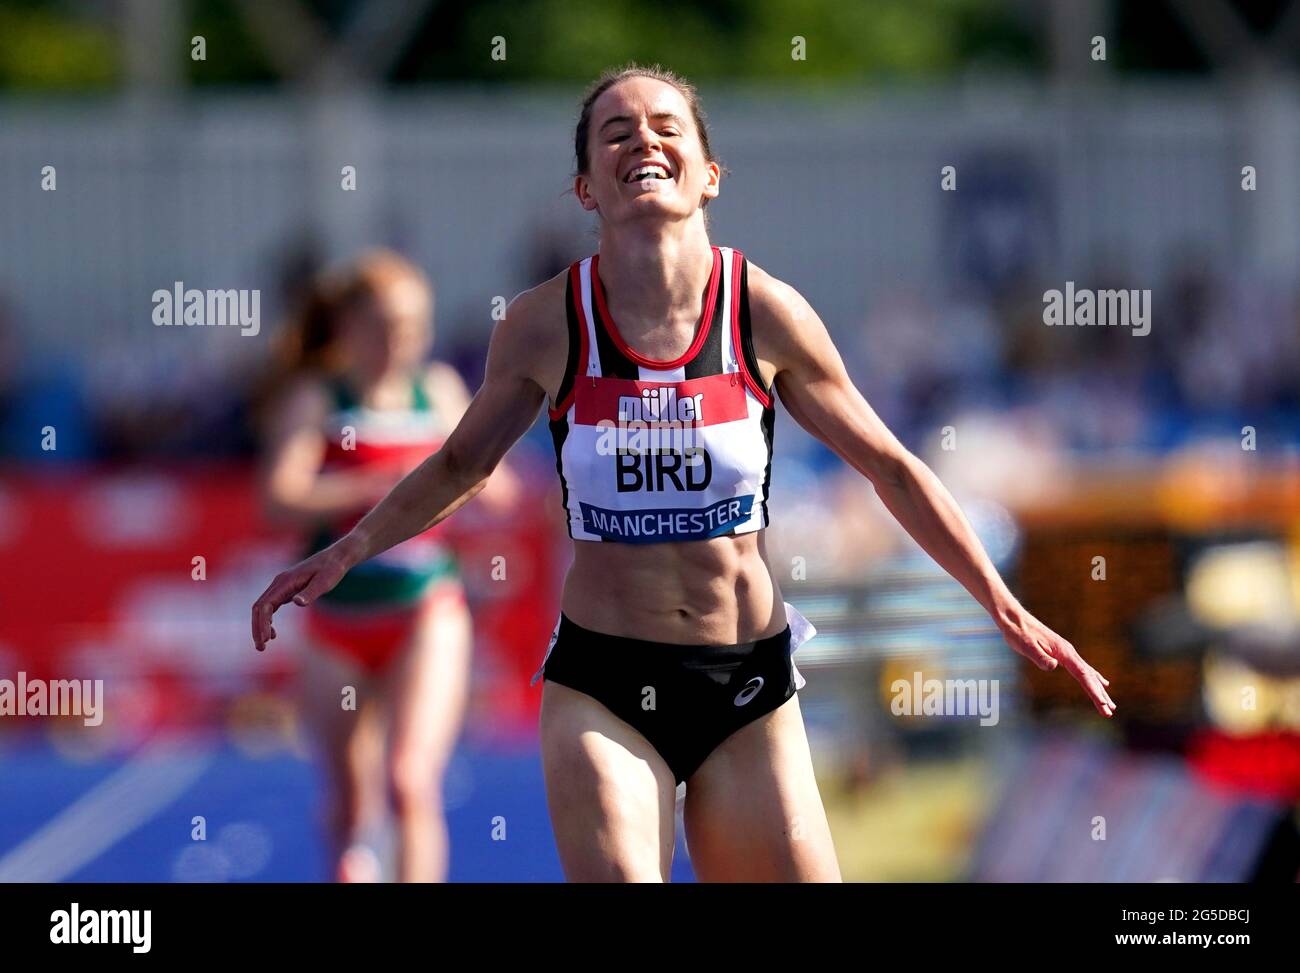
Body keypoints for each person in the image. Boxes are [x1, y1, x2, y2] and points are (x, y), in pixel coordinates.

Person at [252, 66, 1116, 883]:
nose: (643, 142)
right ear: (587, 187)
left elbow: (890, 465)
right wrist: (347, 550)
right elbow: (459, 464)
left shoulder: (763, 310)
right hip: (605, 683)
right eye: (616, 132)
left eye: (667, 127)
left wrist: (1001, 603)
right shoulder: (545, 324)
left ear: (709, 175)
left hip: (744, 683)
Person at [254, 249, 517, 882]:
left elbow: (498, 487)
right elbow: (280, 497)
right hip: (336, 619)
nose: (398, 340)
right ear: (348, 329)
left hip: (423, 609)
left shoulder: (440, 391)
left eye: (411, 325)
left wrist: (447, 483)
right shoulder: (321, 397)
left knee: (408, 781)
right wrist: (382, 482)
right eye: (382, 325)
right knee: (348, 800)